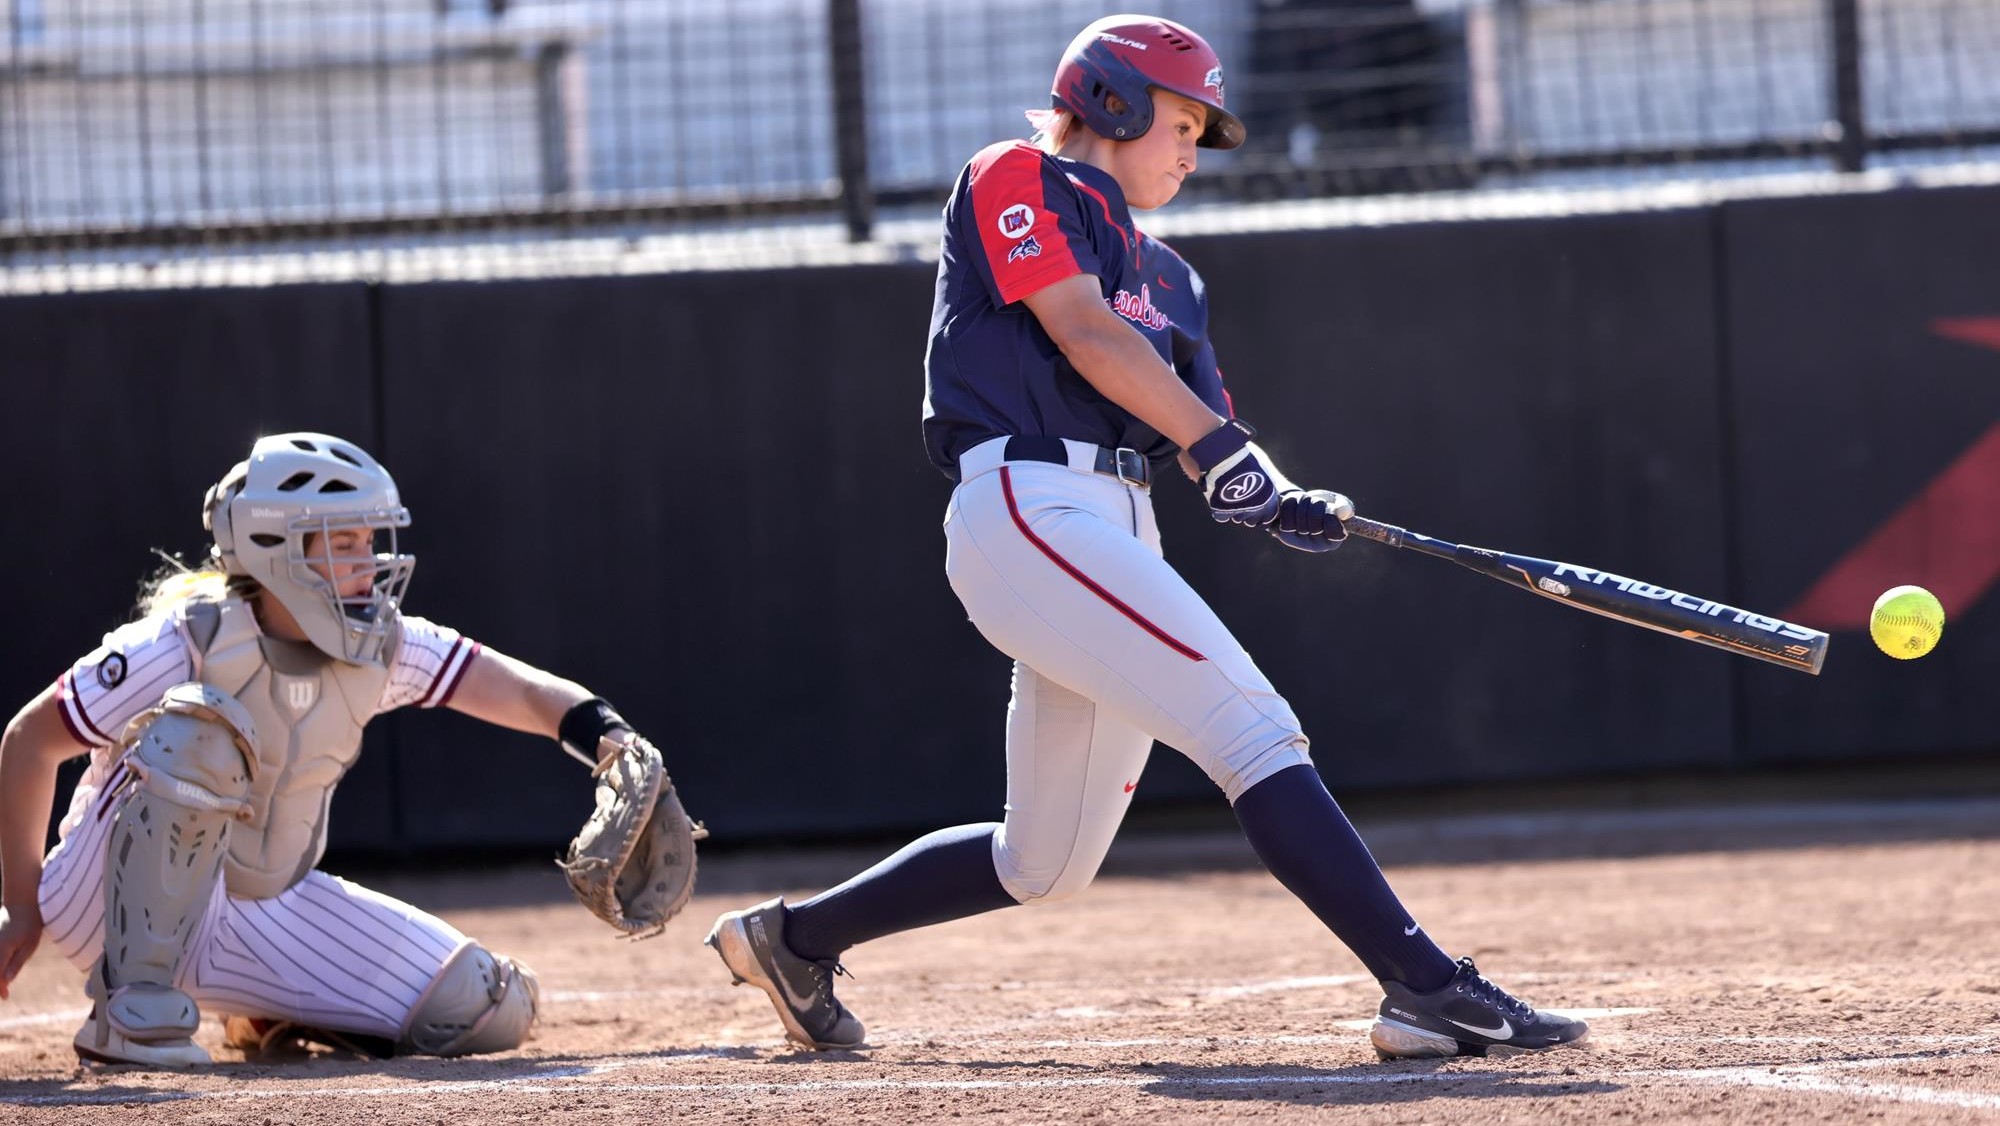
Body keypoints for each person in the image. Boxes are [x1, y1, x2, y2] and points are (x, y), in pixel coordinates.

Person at [705, 14, 1589, 1061]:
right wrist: (1224, 449)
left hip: (1117, 525)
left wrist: (1276, 493)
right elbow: (1083, 331)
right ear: (1112, 103)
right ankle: (1426, 986)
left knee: (1043, 862)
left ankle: (793, 941)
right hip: (1029, 507)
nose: (1190, 153)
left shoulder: (1173, 278)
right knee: (1255, 732)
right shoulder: (1017, 176)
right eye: (1181, 125)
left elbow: (1204, 438)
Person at [0, 432, 660, 1067]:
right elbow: (28, 741)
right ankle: (130, 1008)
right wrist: (22, 907)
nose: (368, 562)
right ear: (274, 547)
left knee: (484, 1005)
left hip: (254, 906)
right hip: (103, 905)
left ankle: (267, 1008)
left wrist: (620, 745)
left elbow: (520, 691)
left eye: (370, 541)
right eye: (345, 542)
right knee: (201, 730)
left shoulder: (382, 645)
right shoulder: (185, 642)